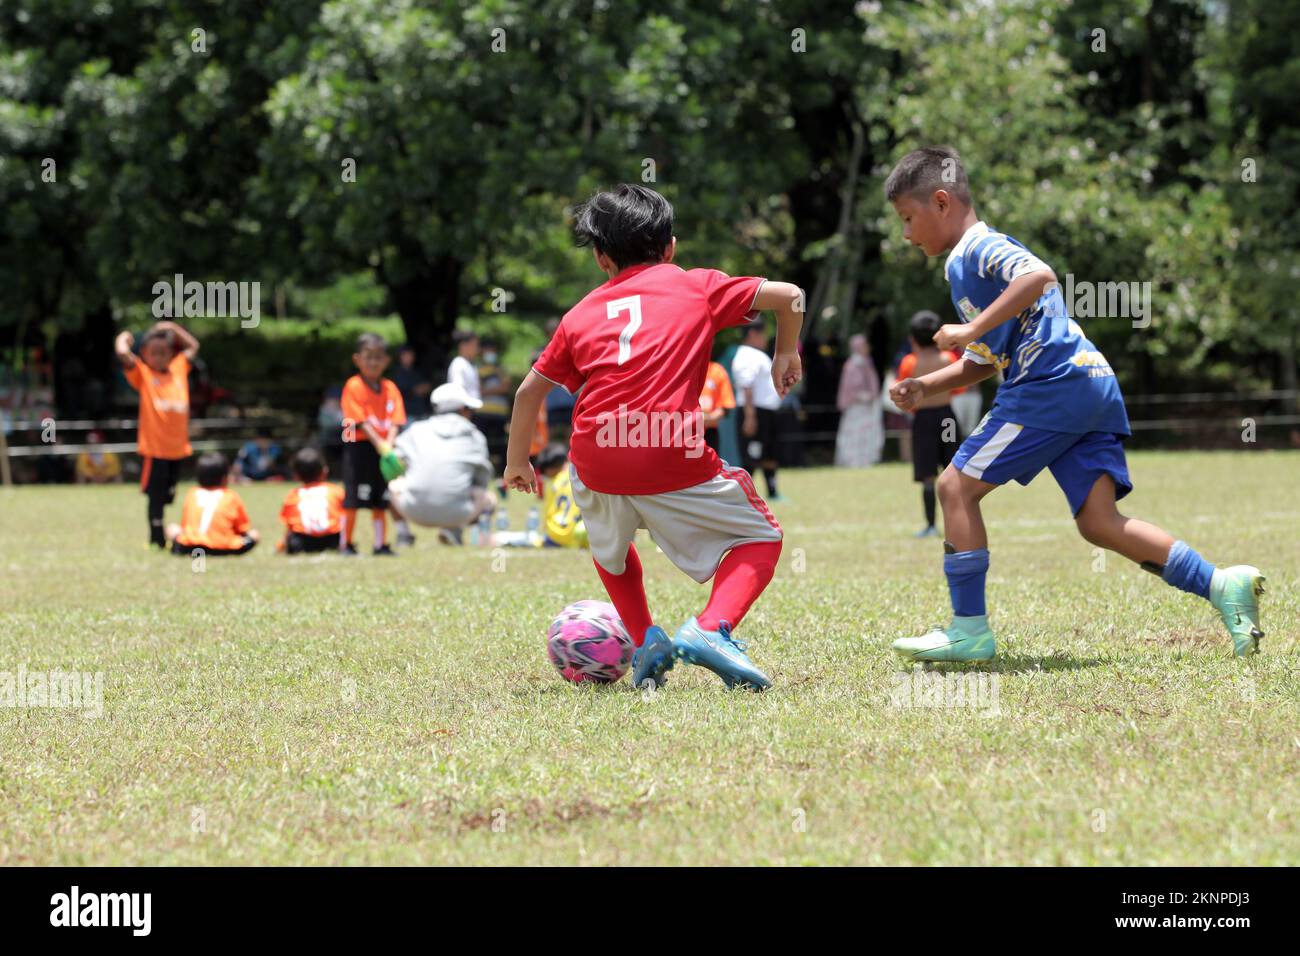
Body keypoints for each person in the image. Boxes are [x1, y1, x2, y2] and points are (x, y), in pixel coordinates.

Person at [884, 145, 1265, 662]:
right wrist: (927, 387)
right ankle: (1222, 585)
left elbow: (1038, 275)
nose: (907, 234)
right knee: (1100, 522)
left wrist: (971, 325)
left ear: (943, 202)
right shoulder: (972, 261)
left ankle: (968, 630)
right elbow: (988, 357)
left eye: (909, 217)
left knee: (953, 486)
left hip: (1050, 385)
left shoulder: (975, 250)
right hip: (1089, 381)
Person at [503, 183, 803, 691]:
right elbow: (790, 296)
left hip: (594, 457)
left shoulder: (579, 315)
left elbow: (529, 392)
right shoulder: (694, 284)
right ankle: (711, 629)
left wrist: (517, 463)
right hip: (669, 448)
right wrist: (785, 353)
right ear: (670, 247)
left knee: (611, 552)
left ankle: (644, 641)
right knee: (762, 537)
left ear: (600, 258)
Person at [114, 321, 199, 548]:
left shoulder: (179, 367)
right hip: (155, 449)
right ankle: (157, 537)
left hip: (177, 447)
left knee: (169, 494)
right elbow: (122, 352)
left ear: (171, 353)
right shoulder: (142, 372)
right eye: (153, 353)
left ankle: (161, 531)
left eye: (163, 353)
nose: (158, 358)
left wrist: (172, 327)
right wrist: (125, 335)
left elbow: (193, 345)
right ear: (145, 354)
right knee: (156, 495)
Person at [387, 382, 495, 542]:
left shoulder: (416, 430)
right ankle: (462, 532)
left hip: (413, 510)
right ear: (462, 410)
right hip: (459, 514)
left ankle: (403, 534)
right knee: (488, 497)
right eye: (469, 409)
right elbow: (482, 479)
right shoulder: (474, 435)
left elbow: (394, 462)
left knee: (393, 485)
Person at [339, 332, 408, 556]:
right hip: (358, 448)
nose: (373, 362)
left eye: (378, 357)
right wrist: (382, 445)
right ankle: (346, 544)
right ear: (357, 359)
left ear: (386, 360)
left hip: (383, 449)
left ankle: (380, 544)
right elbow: (361, 422)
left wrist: (388, 446)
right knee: (352, 498)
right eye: (368, 357)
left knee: (381, 498)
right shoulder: (354, 386)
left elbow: (396, 420)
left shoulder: (390, 388)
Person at [898, 311, 962, 536]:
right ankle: (957, 522)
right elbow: (958, 387)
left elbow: (904, 393)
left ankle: (931, 525)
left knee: (927, 475)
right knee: (953, 469)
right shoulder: (949, 359)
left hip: (923, 419)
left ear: (913, 339)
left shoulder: (909, 363)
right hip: (946, 417)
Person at [731, 317, 784, 501]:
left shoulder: (757, 354)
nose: (765, 339)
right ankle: (744, 496)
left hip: (766, 412)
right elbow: (747, 386)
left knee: (770, 453)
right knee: (752, 455)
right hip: (754, 411)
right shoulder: (746, 355)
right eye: (763, 335)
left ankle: (773, 491)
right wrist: (750, 416)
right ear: (753, 334)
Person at [496, 443, 588, 549]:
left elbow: (548, 514)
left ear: (551, 469)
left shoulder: (552, 484)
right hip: (576, 535)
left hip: (553, 536)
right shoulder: (580, 479)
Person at [166, 452, 258, 556]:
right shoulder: (230, 496)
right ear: (224, 478)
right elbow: (242, 529)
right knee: (254, 534)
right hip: (224, 547)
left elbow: (185, 525)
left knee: (172, 528)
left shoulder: (192, 493)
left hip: (189, 546)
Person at [278, 447, 346, 554]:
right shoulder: (336, 491)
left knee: (294, 537)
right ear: (324, 471)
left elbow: (290, 524)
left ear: (296, 475)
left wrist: (281, 545)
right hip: (333, 539)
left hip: (303, 541)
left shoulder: (293, 495)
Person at [834, 334, 884, 468]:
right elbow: (850, 388)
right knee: (853, 435)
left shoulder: (866, 362)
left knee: (867, 434)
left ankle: (865, 460)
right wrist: (864, 396)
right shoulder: (853, 365)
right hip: (855, 408)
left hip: (866, 408)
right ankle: (852, 461)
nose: (867, 348)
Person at [699, 360, 736, 454]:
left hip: (709, 431)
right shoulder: (684, 369)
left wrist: (703, 419)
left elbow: (725, 407)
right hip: (685, 431)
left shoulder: (717, 370)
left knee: (709, 467)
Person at [391, 345, 433, 420]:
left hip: (421, 412)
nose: (409, 357)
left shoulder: (416, 372)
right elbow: (404, 390)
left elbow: (427, 387)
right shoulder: (397, 374)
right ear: (400, 356)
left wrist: (422, 388)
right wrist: (416, 389)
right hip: (407, 414)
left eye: (411, 354)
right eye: (406, 355)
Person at [447, 329, 481, 402]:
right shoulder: (458, 364)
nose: (477, 349)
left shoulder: (470, 365)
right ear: (463, 346)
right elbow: (458, 391)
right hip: (463, 410)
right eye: (475, 345)